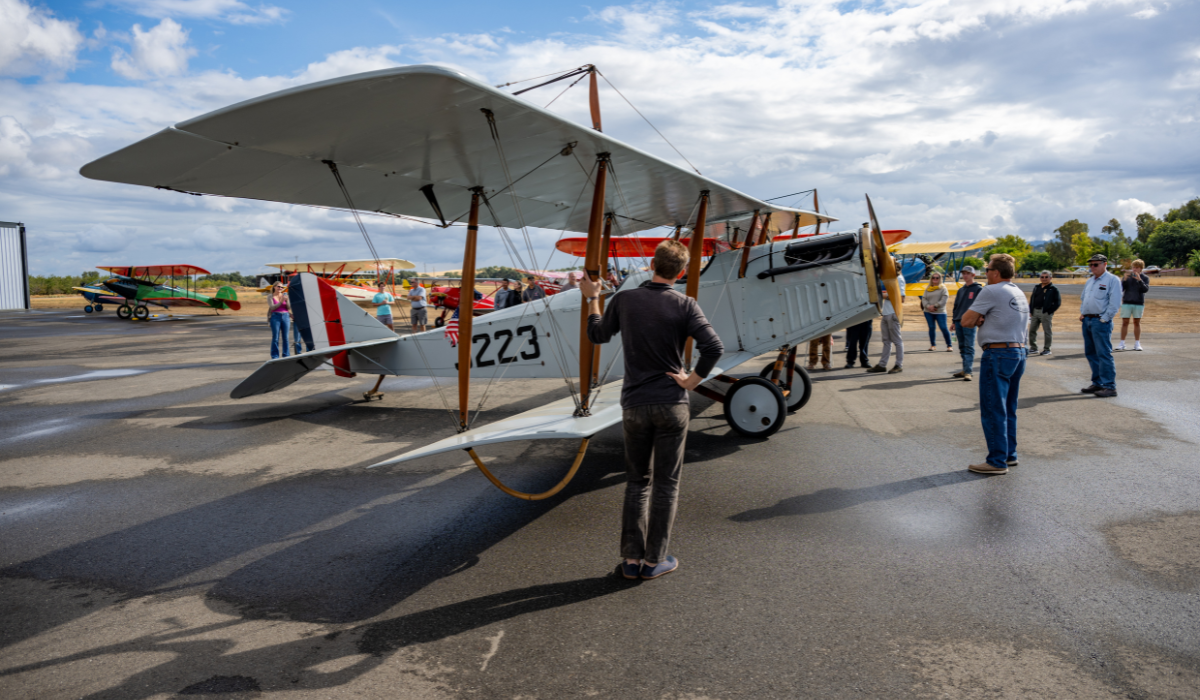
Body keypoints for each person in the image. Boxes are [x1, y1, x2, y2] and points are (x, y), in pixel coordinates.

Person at [581, 240, 724, 581]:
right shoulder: (686, 304)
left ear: (652, 265)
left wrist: (592, 298)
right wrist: (691, 381)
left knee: (636, 482)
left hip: (634, 404)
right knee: (666, 485)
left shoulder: (626, 299)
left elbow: (597, 334)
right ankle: (653, 562)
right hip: (672, 403)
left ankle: (631, 560)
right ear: (682, 271)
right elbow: (713, 347)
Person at [959, 253, 1029, 476]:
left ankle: (997, 460)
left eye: (987, 270)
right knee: (1009, 407)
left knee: (992, 408)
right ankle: (1009, 453)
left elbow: (966, 321)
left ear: (996, 273)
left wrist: (981, 319)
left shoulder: (991, 290)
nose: (985, 273)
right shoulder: (1017, 291)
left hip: (998, 353)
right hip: (1018, 350)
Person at [1078, 253, 1122, 397]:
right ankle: (1097, 383)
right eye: (1090, 264)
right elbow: (1084, 297)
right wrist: (1083, 312)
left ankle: (1109, 386)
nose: (1092, 267)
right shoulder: (1090, 281)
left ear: (1105, 264)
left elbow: (1115, 302)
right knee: (1091, 353)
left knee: (1103, 353)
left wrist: (1105, 318)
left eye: (1095, 264)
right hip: (1088, 320)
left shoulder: (1112, 280)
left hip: (1100, 321)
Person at [867, 258, 905, 374]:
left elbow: (901, 298)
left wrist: (882, 295)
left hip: (893, 313)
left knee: (896, 341)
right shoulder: (892, 279)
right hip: (887, 313)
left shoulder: (899, 279)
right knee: (887, 341)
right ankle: (882, 364)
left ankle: (898, 364)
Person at [949, 266, 983, 381]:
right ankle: (965, 368)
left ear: (973, 275)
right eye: (963, 273)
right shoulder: (961, 290)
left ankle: (968, 371)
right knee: (962, 346)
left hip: (969, 322)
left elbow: (981, 306)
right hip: (959, 320)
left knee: (969, 346)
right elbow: (956, 306)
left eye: (967, 273)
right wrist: (954, 321)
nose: (965, 275)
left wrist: (979, 318)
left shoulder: (978, 289)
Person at [1118, 259, 1150, 351]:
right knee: (1125, 323)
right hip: (1127, 302)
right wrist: (1124, 279)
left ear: (1141, 268)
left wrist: (1139, 280)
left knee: (1136, 323)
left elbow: (1145, 290)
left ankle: (1137, 343)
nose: (1134, 269)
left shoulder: (1145, 278)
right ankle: (1122, 343)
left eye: (1137, 267)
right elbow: (1121, 289)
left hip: (1138, 303)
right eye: (1133, 267)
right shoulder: (1128, 277)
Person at [1027, 270, 1061, 356]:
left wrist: (1049, 311)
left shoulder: (1053, 289)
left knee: (1047, 331)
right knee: (1032, 330)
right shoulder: (1037, 287)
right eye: (1042, 277)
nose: (1044, 279)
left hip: (1045, 312)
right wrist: (1031, 310)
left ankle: (1047, 349)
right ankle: (1034, 348)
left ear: (1050, 278)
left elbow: (1057, 302)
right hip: (1035, 311)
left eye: (1046, 277)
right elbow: (1032, 299)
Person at [921, 272, 952, 352]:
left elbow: (944, 299)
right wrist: (928, 306)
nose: (935, 279)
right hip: (928, 312)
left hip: (940, 312)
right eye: (933, 277)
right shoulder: (928, 288)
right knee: (931, 328)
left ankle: (949, 345)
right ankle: (933, 345)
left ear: (940, 279)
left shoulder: (943, 288)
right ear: (931, 279)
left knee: (943, 328)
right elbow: (924, 299)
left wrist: (935, 306)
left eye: (937, 278)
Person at [267, 282, 290, 360]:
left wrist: (287, 300)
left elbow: (288, 308)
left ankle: (286, 355)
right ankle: (275, 356)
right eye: (278, 287)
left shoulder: (285, 296)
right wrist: (281, 301)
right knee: (275, 337)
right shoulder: (270, 296)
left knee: (286, 338)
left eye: (282, 287)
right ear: (274, 287)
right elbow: (273, 307)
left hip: (286, 316)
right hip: (275, 316)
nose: (280, 288)